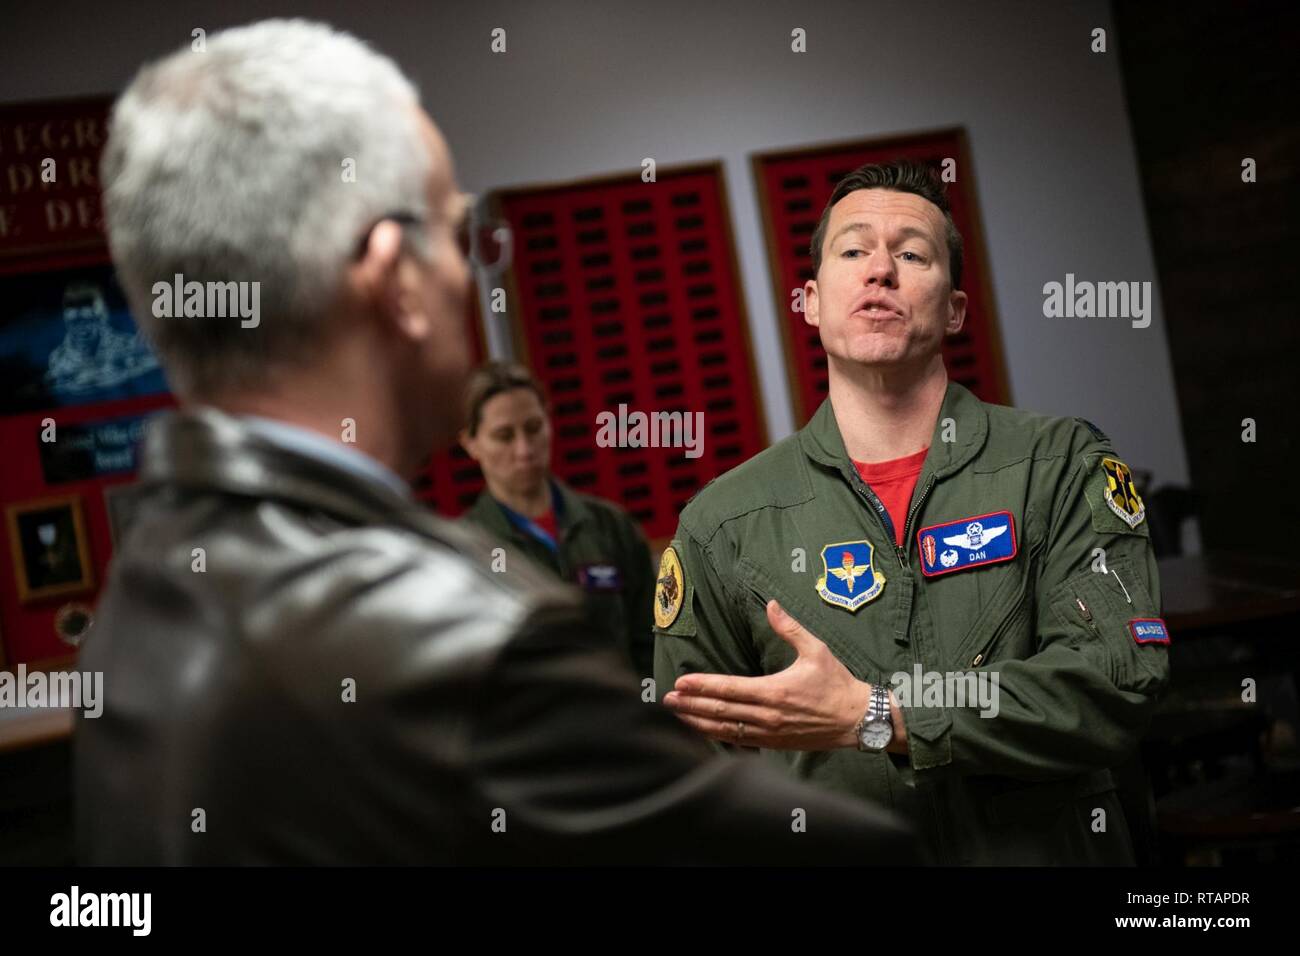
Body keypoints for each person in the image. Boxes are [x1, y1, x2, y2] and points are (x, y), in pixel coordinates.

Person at [74, 19, 918, 865]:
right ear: (396, 279)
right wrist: (875, 719)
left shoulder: (146, 584)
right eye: (457, 236)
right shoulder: (460, 633)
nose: (465, 274)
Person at [654, 159, 1170, 865]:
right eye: (854, 249)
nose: (880, 271)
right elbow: (691, 776)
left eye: (912, 253)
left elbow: (1117, 681)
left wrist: (879, 717)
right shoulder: (722, 525)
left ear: (955, 308)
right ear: (808, 301)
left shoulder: (1060, 465)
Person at [459, 360, 655, 679]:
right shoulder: (466, 549)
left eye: (534, 428)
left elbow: (652, 639)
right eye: (504, 436)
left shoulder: (609, 526)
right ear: (471, 444)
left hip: (620, 718)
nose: (524, 449)